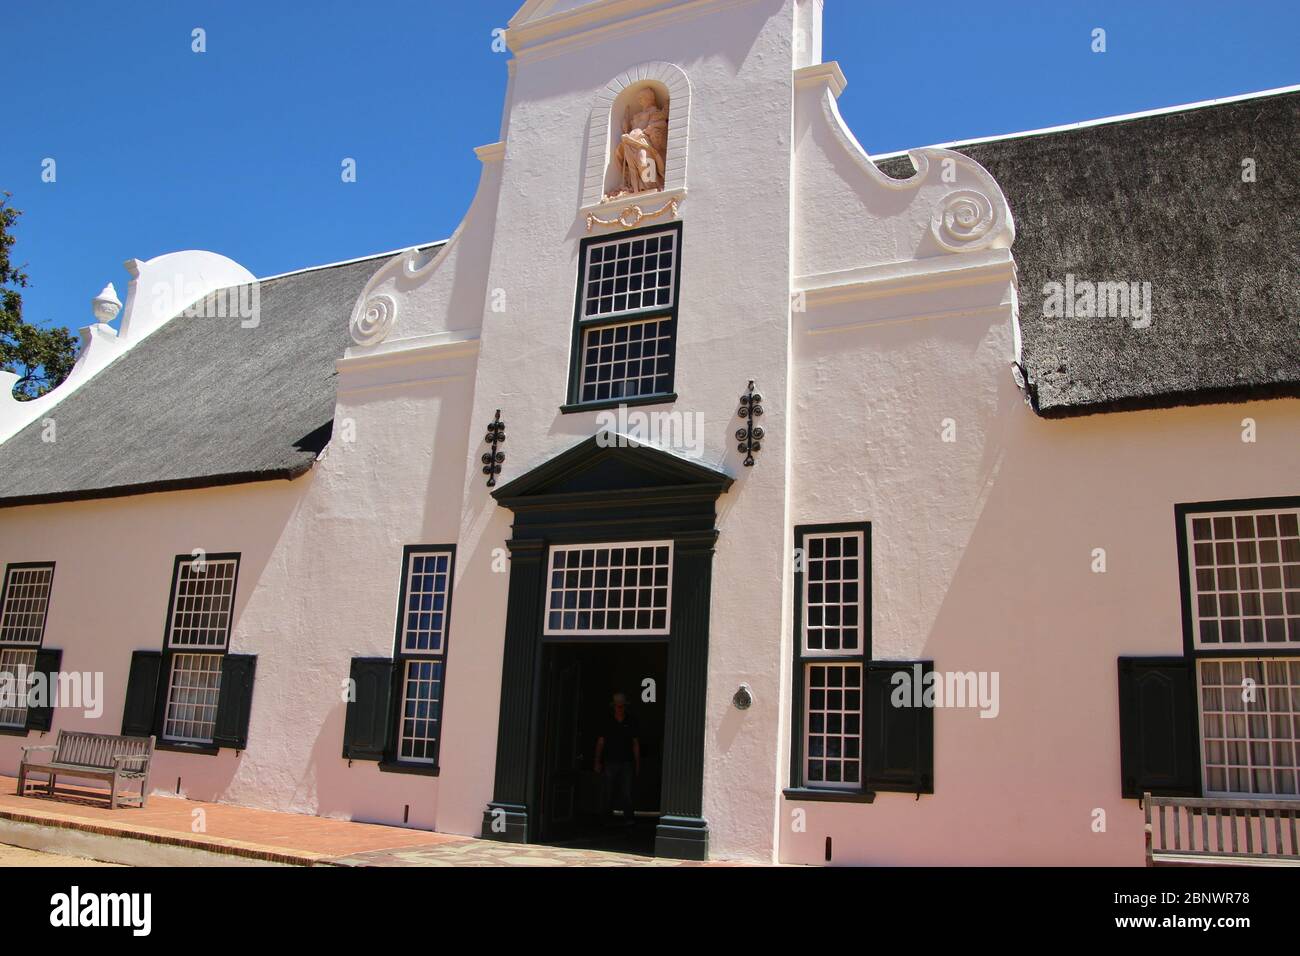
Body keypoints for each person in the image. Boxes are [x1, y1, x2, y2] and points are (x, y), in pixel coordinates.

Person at [593, 692, 640, 825]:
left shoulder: (631, 721)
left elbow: (635, 744)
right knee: (608, 791)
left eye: (622, 706)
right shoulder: (607, 721)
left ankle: (629, 819)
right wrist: (597, 761)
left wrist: (637, 764)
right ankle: (606, 820)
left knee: (627, 793)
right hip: (610, 761)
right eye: (618, 706)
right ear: (614, 706)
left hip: (627, 762)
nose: (620, 709)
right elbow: (600, 742)